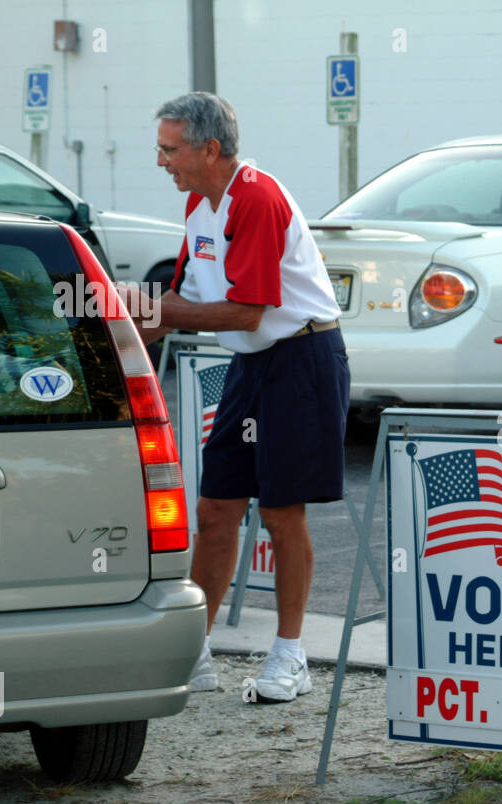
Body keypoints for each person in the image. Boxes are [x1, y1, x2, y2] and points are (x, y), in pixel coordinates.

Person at [119, 92, 349, 703]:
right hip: (251, 365)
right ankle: (192, 651)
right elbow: (182, 304)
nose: (161, 161)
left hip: (301, 358)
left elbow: (247, 311)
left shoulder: (257, 197)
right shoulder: (199, 203)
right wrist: (116, 323)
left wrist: (153, 308)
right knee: (216, 508)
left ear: (209, 149)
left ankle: (291, 656)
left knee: (280, 512)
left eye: (169, 150)